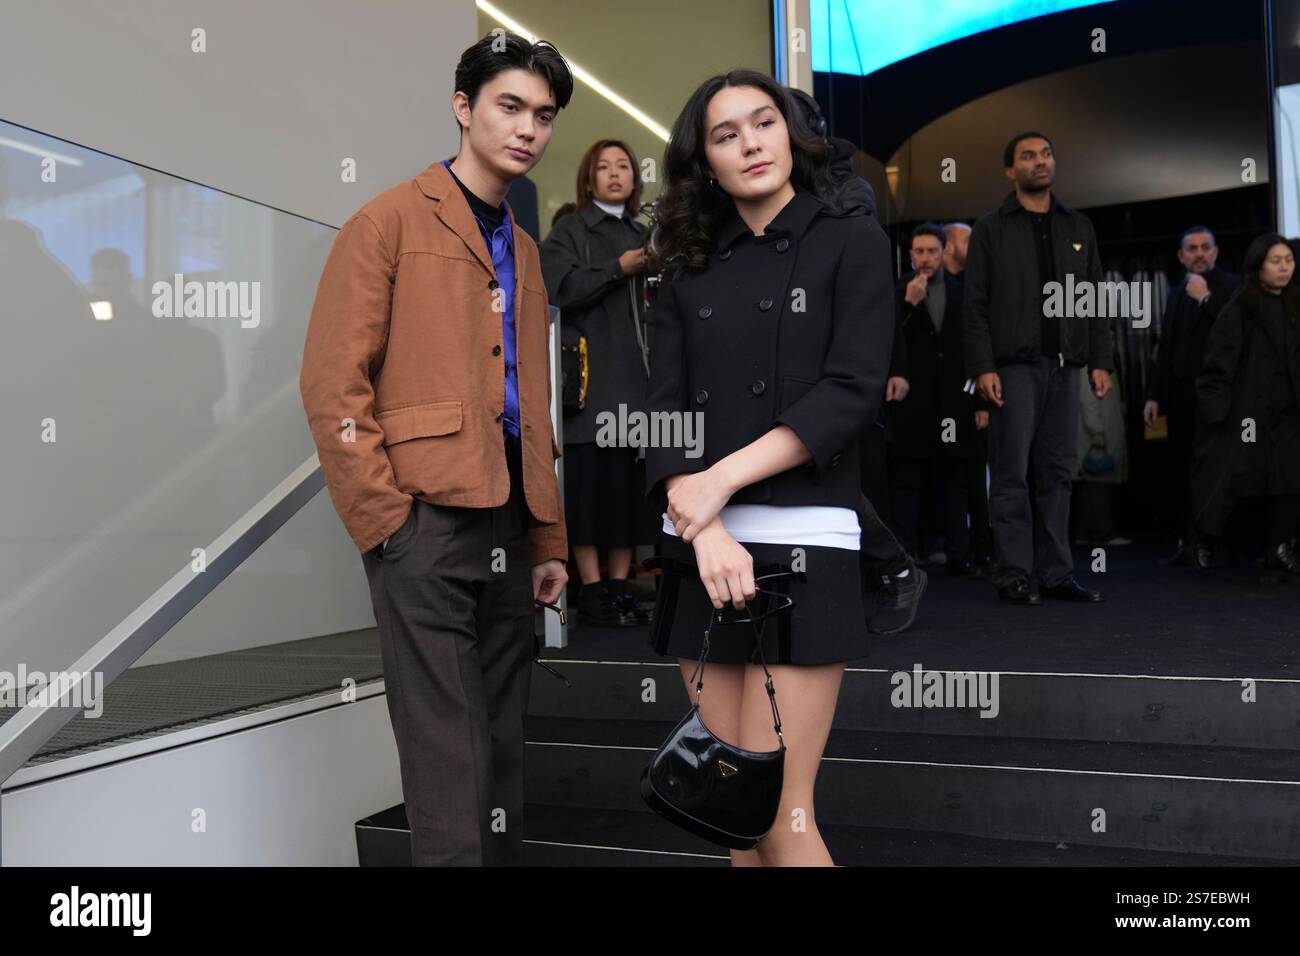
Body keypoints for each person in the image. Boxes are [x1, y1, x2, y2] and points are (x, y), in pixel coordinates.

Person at [299, 31, 572, 865]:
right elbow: (331, 386)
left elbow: (531, 397)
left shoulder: (525, 249)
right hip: (423, 526)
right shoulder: (385, 220)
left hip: (509, 527)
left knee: (500, 747)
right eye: (509, 106)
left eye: (544, 116)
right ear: (464, 107)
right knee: (445, 757)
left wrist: (548, 535)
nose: (527, 128)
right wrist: (387, 523)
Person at [642, 70, 894, 866]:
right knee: (733, 822)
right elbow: (663, 413)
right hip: (700, 548)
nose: (750, 143)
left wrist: (721, 483)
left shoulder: (851, 238)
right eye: (726, 134)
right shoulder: (683, 265)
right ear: (704, 163)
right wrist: (704, 520)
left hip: (804, 541)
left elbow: (850, 393)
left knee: (782, 821)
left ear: (792, 135)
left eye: (764, 123)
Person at [785, 85, 926, 631]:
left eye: (772, 125)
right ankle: (885, 572)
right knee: (807, 475)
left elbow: (844, 273)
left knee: (825, 473)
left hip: (833, 360)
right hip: (787, 349)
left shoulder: (848, 190)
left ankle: (892, 570)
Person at [963, 131, 1114, 605]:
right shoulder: (990, 227)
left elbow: (1093, 297)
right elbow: (974, 305)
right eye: (1028, 156)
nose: (1040, 161)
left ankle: (1055, 573)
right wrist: (983, 367)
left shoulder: (1077, 226)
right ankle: (1013, 573)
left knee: (1058, 473)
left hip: (1067, 367)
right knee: (1010, 473)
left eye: (1046, 153)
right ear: (1011, 170)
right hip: (1012, 368)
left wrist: (1101, 360)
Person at [540, 139, 656, 627]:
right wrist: (618, 269)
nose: (614, 174)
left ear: (635, 179)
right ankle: (589, 587)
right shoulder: (571, 229)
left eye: (623, 166)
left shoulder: (650, 234)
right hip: (590, 382)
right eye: (603, 167)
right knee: (587, 491)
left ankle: (620, 584)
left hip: (639, 381)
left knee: (628, 490)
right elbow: (558, 289)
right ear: (589, 179)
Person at [1191, 234, 1300, 575]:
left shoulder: (1295, 304)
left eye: (1288, 260)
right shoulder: (1239, 307)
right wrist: (1218, 412)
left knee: (1288, 477)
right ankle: (1207, 539)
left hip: (1287, 409)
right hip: (1247, 411)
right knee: (1239, 477)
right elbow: (1217, 363)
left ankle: (1280, 547)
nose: (1284, 267)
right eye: (1275, 261)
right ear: (1259, 266)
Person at [1142, 226, 1237, 565]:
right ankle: (1190, 541)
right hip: (1181, 397)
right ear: (1181, 256)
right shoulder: (1174, 292)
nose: (1199, 253)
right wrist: (1154, 396)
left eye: (1205, 247)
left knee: (1212, 471)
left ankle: (1213, 544)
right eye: (1191, 249)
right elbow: (1167, 349)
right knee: (1182, 469)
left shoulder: (1230, 286)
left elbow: (1235, 335)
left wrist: (1206, 298)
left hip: (1218, 398)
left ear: (1216, 252)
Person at [890, 223, 979, 574]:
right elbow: (889, 344)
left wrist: (979, 403)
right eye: (919, 252)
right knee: (909, 480)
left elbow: (973, 347)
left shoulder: (963, 292)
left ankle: (959, 554)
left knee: (955, 478)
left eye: (932, 251)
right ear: (911, 256)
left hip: (954, 403)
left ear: (944, 253)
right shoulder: (897, 293)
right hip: (913, 403)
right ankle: (906, 555)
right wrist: (909, 306)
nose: (925, 258)